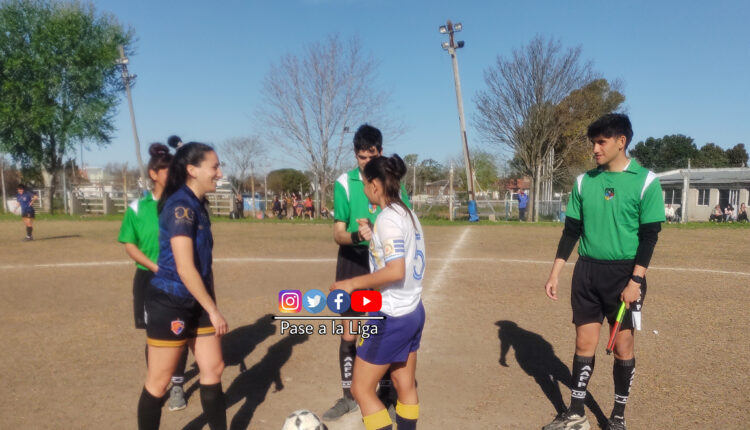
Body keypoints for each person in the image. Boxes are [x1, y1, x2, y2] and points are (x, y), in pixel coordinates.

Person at [543, 114, 665, 430]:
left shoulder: (646, 181)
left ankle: (618, 416)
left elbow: (650, 236)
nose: (595, 149)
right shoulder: (585, 182)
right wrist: (555, 272)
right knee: (584, 343)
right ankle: (576, 413)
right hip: (587, 273)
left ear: (621, 141)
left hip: (625, 276)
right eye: (593, 143)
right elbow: (571, 231)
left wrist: (635, 281)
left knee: (623, 346)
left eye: (601, 142)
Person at [330, 154, 425, 430]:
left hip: (390, 316)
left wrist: (350, 283)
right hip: (413, 311)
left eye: (364, 184)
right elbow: (398, 256)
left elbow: (396, 271)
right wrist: (373, 235)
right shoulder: (407, 214)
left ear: (374, 185)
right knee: (403, 382)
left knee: (361, 390)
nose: (362, 189)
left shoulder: (387, 219)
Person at [138, 142, 228, 430]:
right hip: (170, 301)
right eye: (214, 166)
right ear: (192, 170)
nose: (219, 172)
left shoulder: (197, 205)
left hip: (197, 301)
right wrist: (213, 310)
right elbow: (185, 267)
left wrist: (207, 304)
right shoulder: (181, 207)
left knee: (213, 369)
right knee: (159, 382)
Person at [118, 143, 192, 412]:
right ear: (153, 173)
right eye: (167, 169)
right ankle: (156, 382)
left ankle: (177, 385)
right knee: (154, 336)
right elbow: (130, 245)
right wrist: (155, 267)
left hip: (179, 278)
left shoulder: (181, 203)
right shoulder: (137, 207)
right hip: (148, 279)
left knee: (178, 332)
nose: (172, 173)